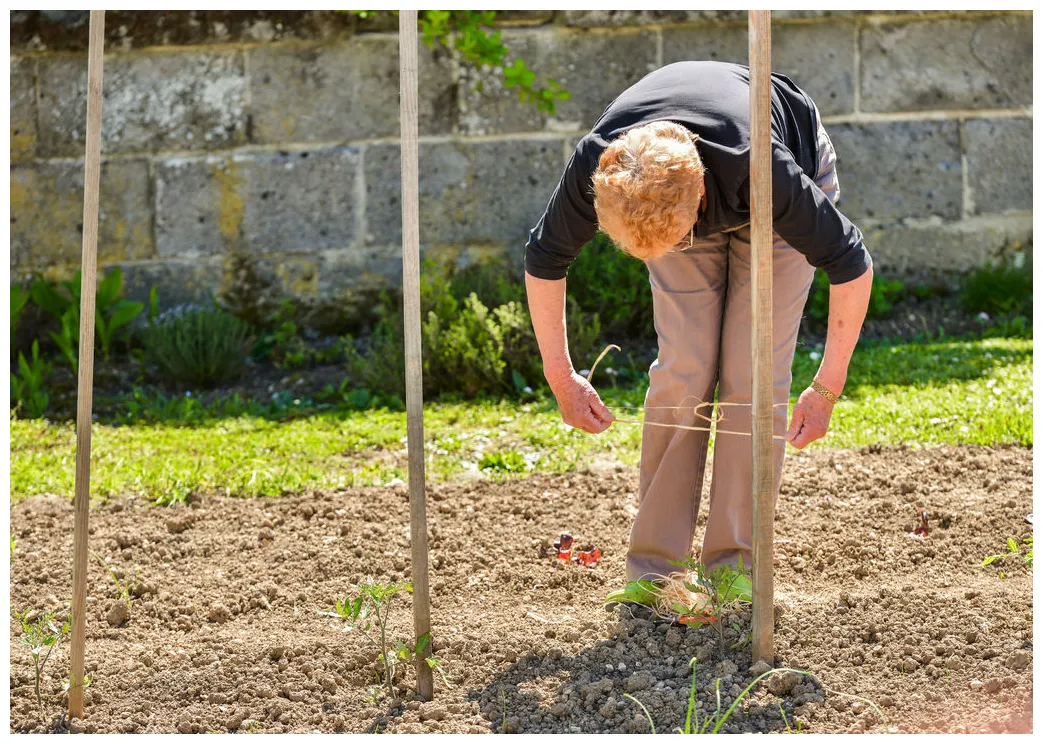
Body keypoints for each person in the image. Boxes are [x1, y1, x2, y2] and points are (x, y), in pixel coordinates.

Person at [524, 60, 873, 611]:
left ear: (700, 204)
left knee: (751, 374)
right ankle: (656, 570)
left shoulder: (765, 169)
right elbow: (544, 260)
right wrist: (560, 376)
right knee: (684, 367)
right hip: (680, 184)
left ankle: (734, 568)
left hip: (769, 180)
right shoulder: (603, 162)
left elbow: (851, 264)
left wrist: (826, 387)